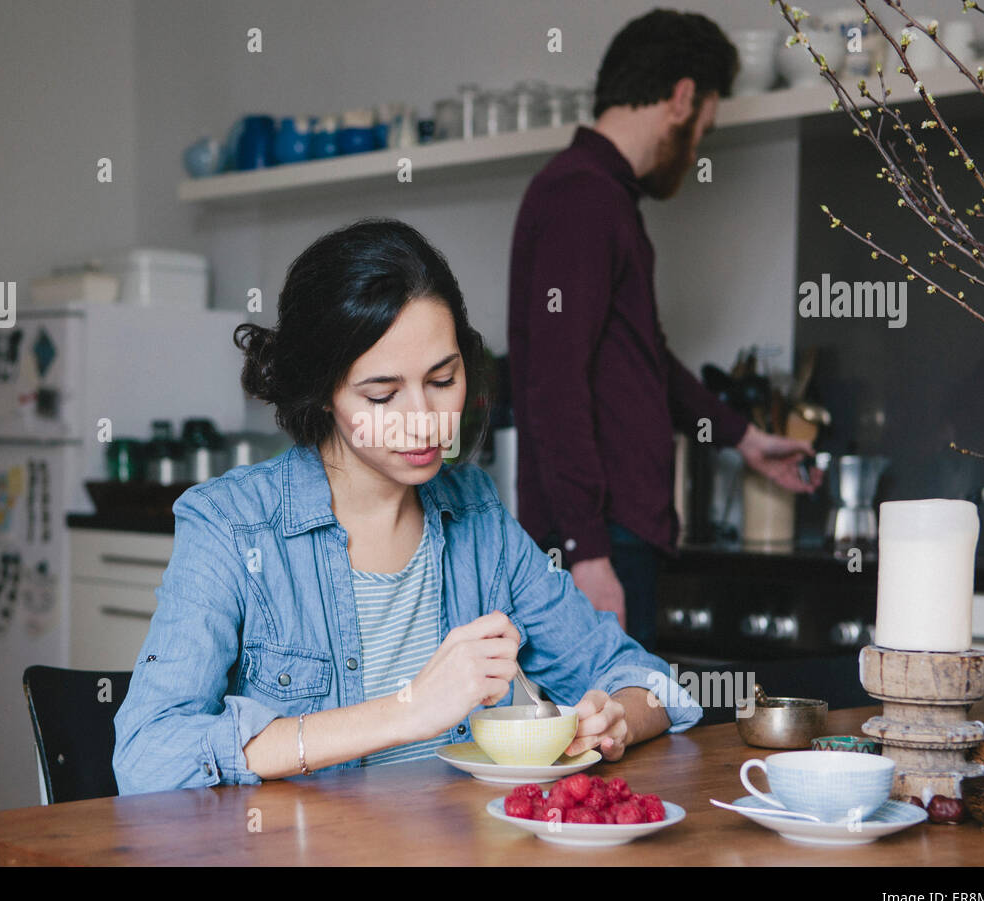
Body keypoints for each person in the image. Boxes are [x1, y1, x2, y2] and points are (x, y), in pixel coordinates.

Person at [113, 218, 702, 793]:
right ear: (323, 394)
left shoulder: (478, 517)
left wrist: (617, 718)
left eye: (443, 380)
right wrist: (407, 710)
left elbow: (651, 683)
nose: (426, 420)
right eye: (383, 393)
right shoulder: (231, 526)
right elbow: (148, 757)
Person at [507, 9, 822, 649]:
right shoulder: (582, 198)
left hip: (612, 536)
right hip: (603, 542)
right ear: (682, 98)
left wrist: (746, 438)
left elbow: (643, 358)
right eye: (703, 130)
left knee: (625, 735)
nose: (697, 149)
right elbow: (553, 382)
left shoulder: (601, 197)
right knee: (612, 741)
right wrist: (586, 553)